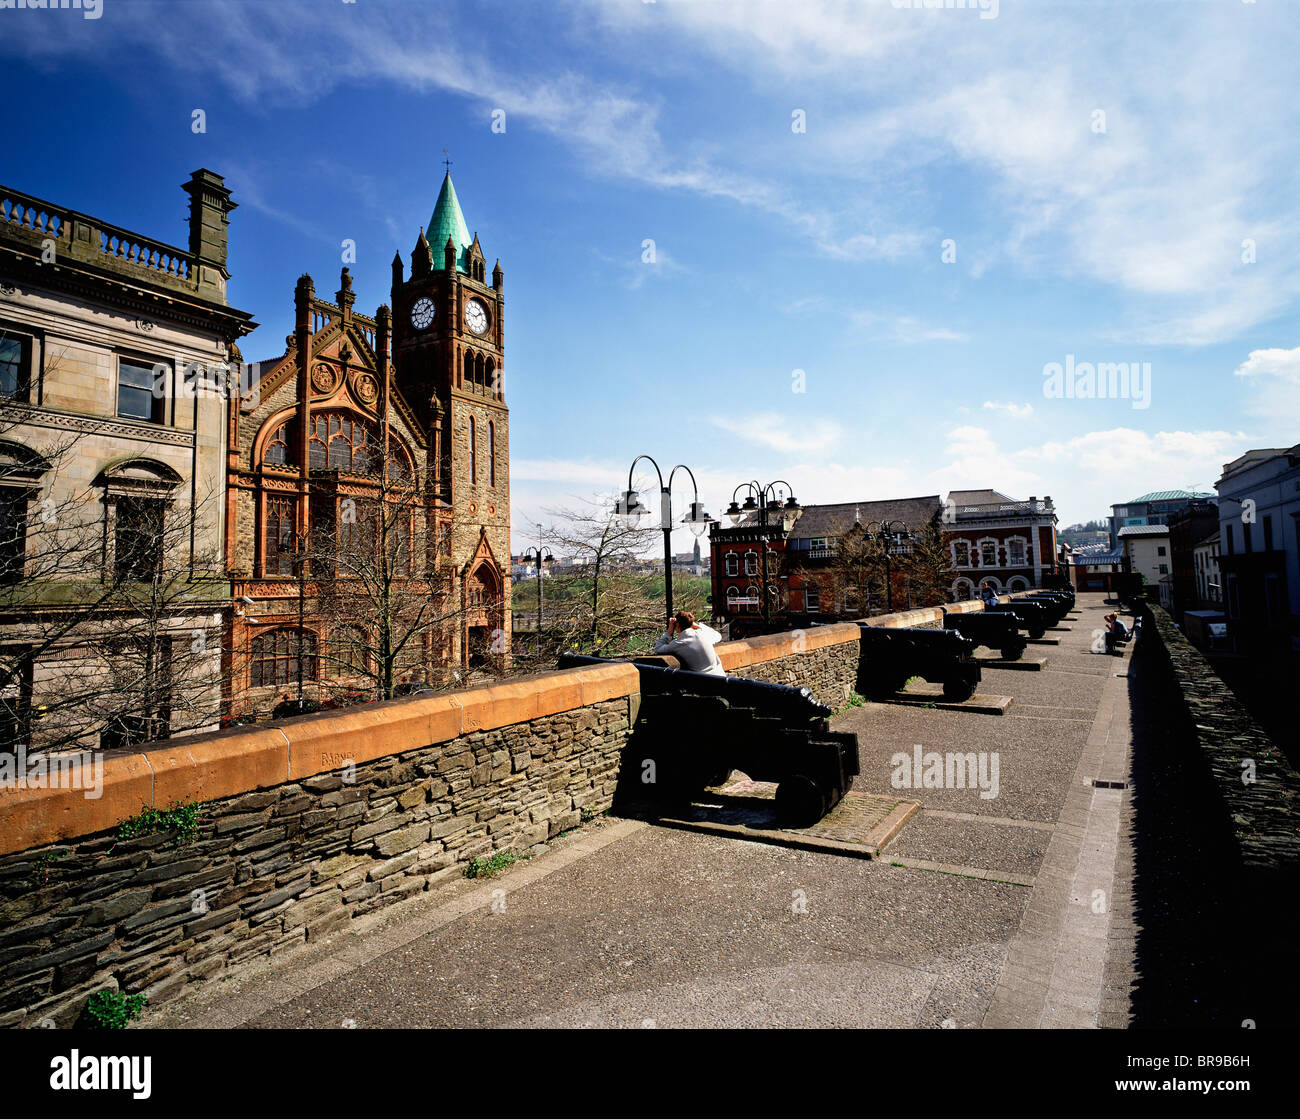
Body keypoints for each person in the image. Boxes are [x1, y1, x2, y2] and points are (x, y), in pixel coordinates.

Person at [653, 610, 725, 676]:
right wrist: (695, 625)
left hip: (703, 682)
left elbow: (658, 648)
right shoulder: (702, 633)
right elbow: (718, 636)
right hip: (720, 677)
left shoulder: (679, 642)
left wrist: (669, 632)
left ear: (677, 625)